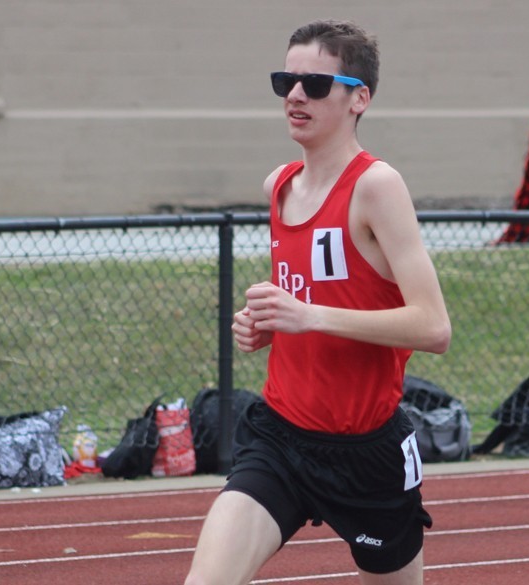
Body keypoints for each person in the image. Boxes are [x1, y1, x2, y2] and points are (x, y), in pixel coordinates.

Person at [184, 20, 452, 585]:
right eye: (286, 81)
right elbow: (312, 294)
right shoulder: (278, 186)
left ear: (360, 98)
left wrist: (309, 317)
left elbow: (433, 327)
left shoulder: (377, 186)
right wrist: (267, 324)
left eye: (315, 84)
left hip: (368, 454)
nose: (296, 95)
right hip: (281, 438)